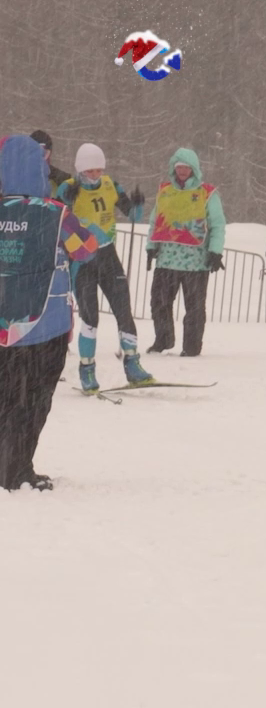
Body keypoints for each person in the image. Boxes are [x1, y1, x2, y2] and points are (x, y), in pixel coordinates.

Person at [0, 135, 99, 491]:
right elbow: (86, 248)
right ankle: (17, 469)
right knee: (34, 401)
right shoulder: (55, 213)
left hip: (5, 325)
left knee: (7, 398)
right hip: (45, 325)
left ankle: (5, 464)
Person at [56, 143, 153, 391]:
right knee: (90, 317)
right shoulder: (69, 188)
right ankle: (87, 370)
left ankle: (132, 364)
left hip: (108, 256)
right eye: (90, 171)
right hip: (82, 260)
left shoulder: (110, 185)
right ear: (80, 170)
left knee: (124, 309)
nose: (95, 176)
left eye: (99, 170)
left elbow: (133, 215)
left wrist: (138, 204)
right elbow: (55, 219)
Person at [145, 147, 226, 357]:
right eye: (179, 167)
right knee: (159, 302)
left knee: (195, 308)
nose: (182, 171)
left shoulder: (207, 193)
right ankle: (163, 340)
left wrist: (215, 251)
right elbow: (155, 220)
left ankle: (191, 347)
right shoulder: (165, 191)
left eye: (186, 168)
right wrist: (151, 247)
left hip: (196, 261)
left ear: (194, 169)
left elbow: (217, 224)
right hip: (167, 259)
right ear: (174, 167)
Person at [29, 130, 72, 196]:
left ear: (50, 154)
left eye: (44, 153)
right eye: (35, 153)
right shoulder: (18, 178)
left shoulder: (62, 180)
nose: (40, 158)